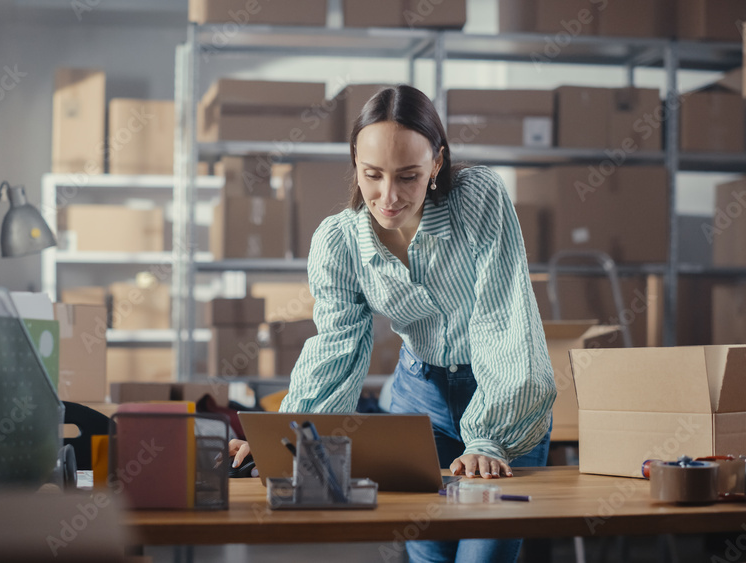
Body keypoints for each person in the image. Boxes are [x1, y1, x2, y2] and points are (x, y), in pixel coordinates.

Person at [229, 84, 556, 563]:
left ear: (437, 164)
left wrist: (487, 437)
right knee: (429, 556)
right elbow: (336, 348)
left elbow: (502, 318)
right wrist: (283, 437)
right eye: (373, 175)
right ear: (356, 163)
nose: (388, 196)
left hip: (503, 396)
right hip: (419, 401)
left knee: (482, 555)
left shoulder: (477, 199)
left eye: (408, 176)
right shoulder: (339, 242)